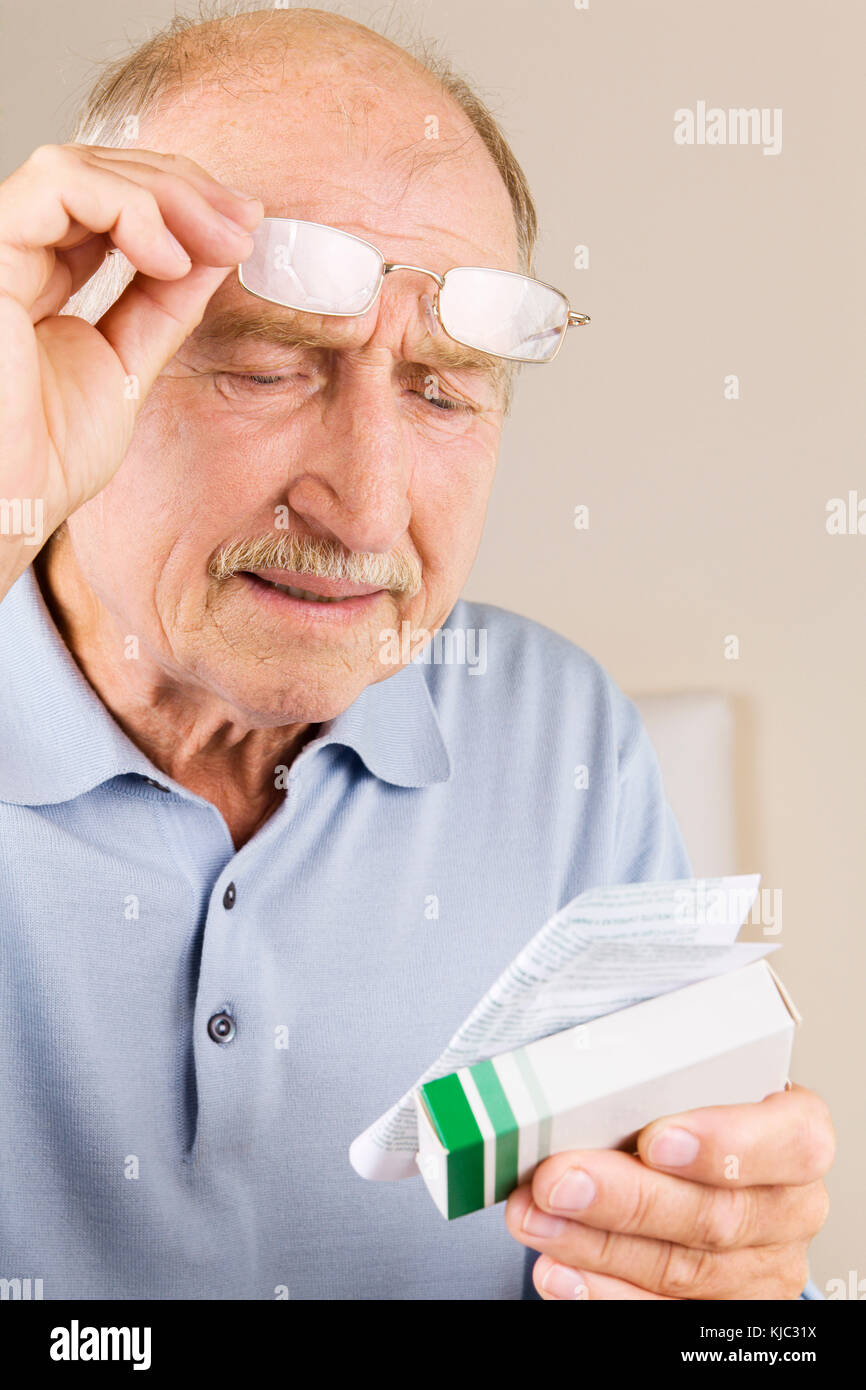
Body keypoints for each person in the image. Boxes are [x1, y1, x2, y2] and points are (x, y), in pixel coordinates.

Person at [0, 6, 832, 1300]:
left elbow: (662, 1249)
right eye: (269, 364)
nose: (369, 509)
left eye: (443, 390)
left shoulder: (567, 739)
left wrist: (723, 1305)